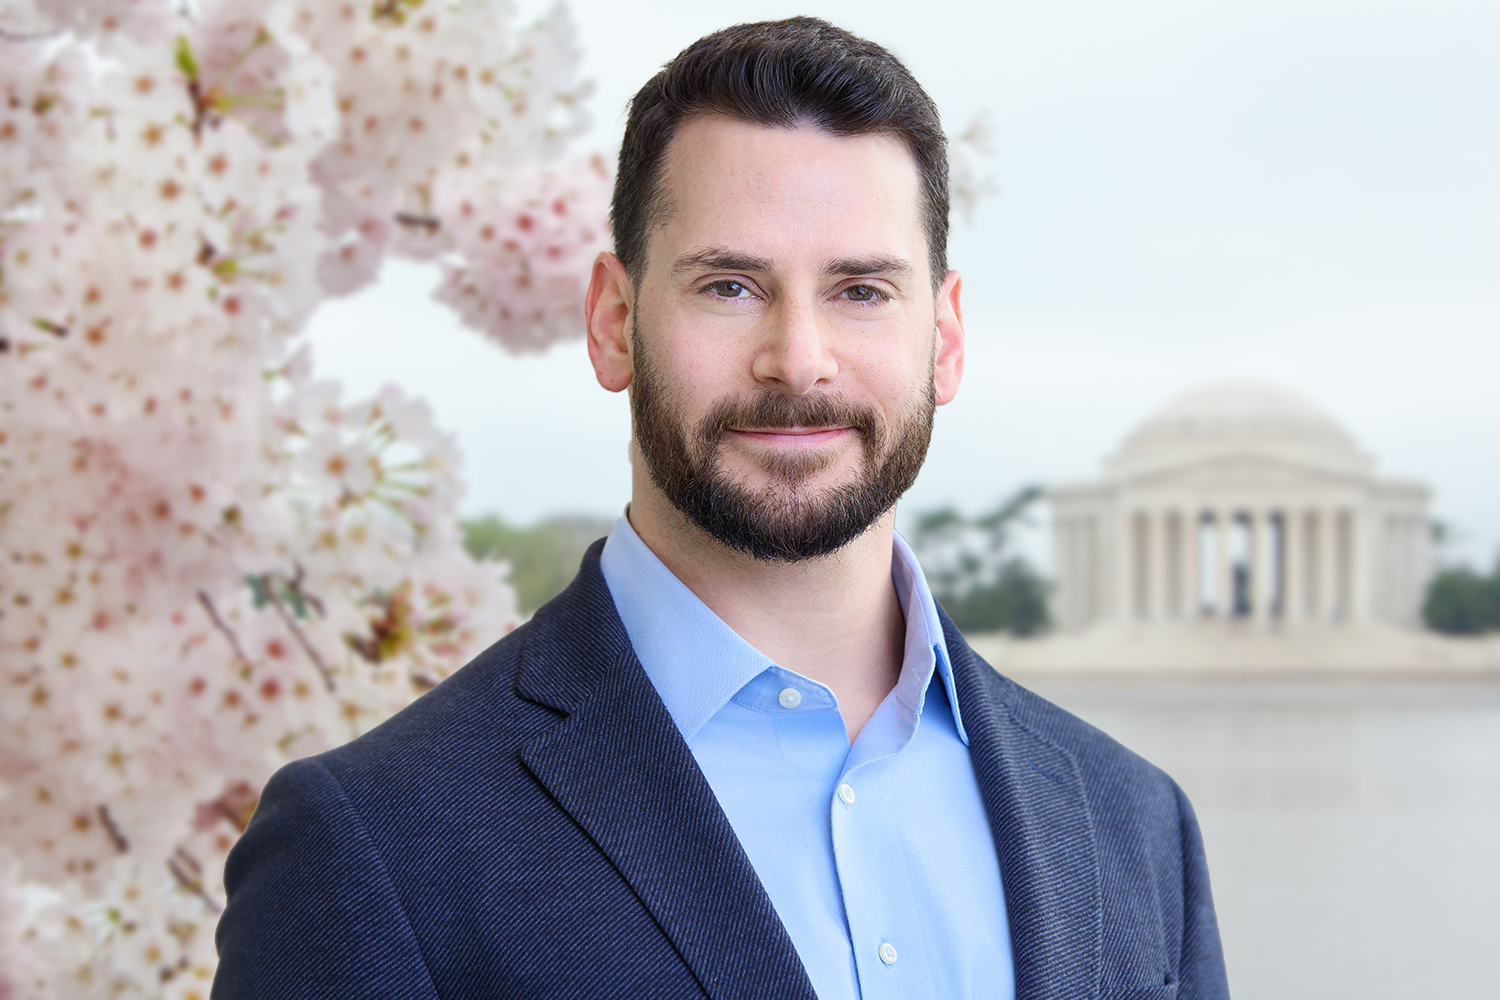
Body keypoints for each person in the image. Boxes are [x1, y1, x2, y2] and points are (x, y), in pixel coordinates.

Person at [213, 17, 1229, 1000]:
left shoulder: (1135, 823)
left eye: (862, 290)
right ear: (614, 322)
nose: (797, 359)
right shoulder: (377, 843)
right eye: (731, 286)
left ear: (946, 337)